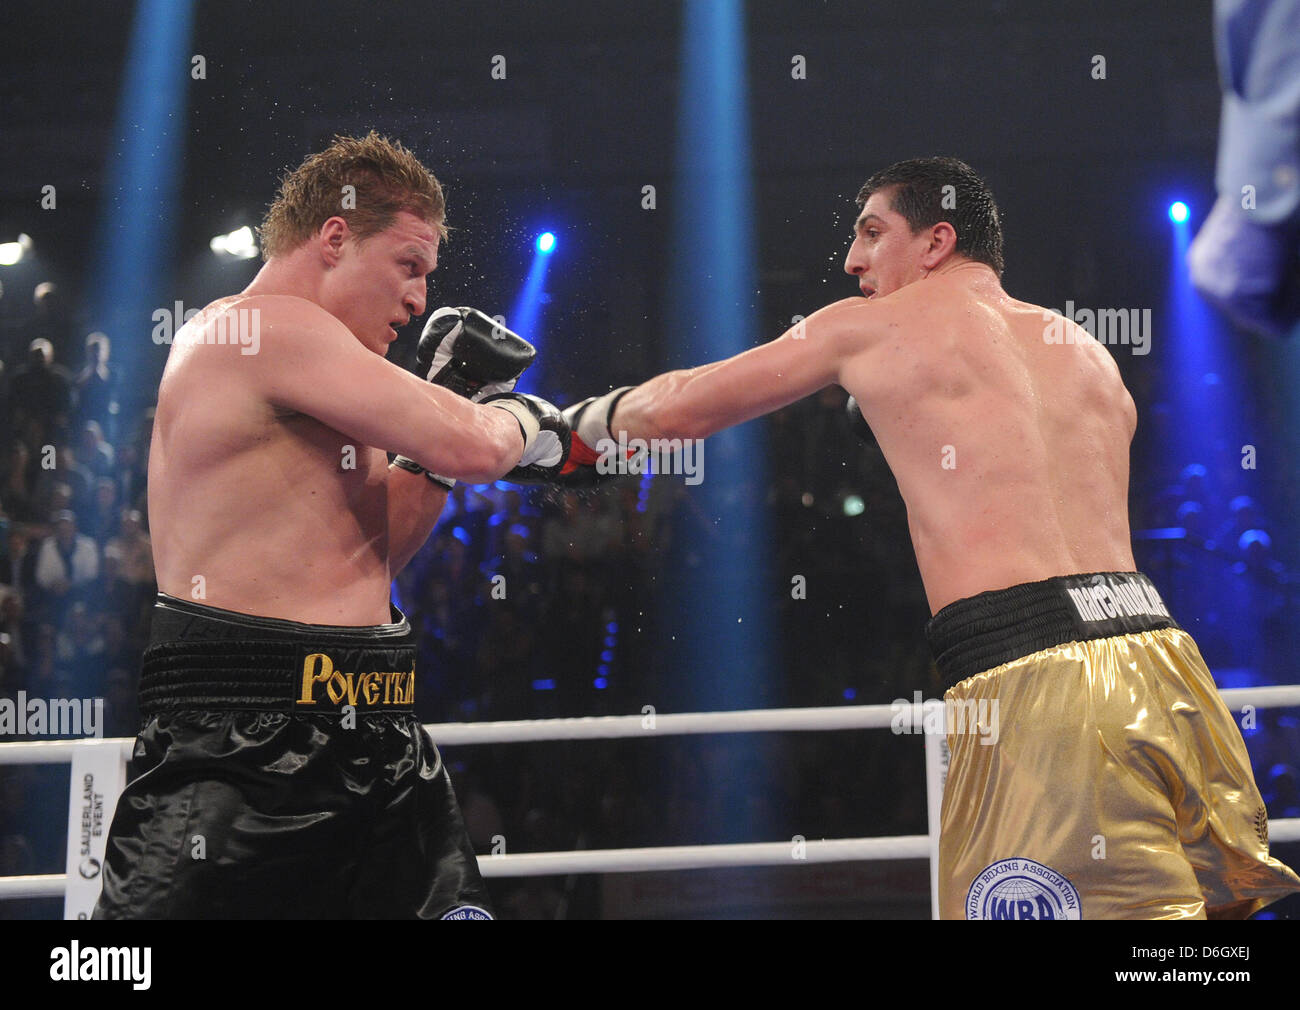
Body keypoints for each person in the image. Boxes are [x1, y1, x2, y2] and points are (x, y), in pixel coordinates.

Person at [561, 156, 1300, 919]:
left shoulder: (868, 329)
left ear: (937, 240)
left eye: (874, 233)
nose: (853, 260)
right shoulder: (1084, 349)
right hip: (1165, 664)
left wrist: (551, 433)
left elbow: (679, 409)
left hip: (1037, 683)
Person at [95, 132, 570, 919]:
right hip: (238, 745)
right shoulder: (257, 329)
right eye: (408, 266)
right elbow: (474, 444)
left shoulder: (328, 375)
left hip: (377, 730)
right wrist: (522, 417)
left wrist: (457, 397)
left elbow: (373, 555)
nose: (419, 300)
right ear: (336, 236)